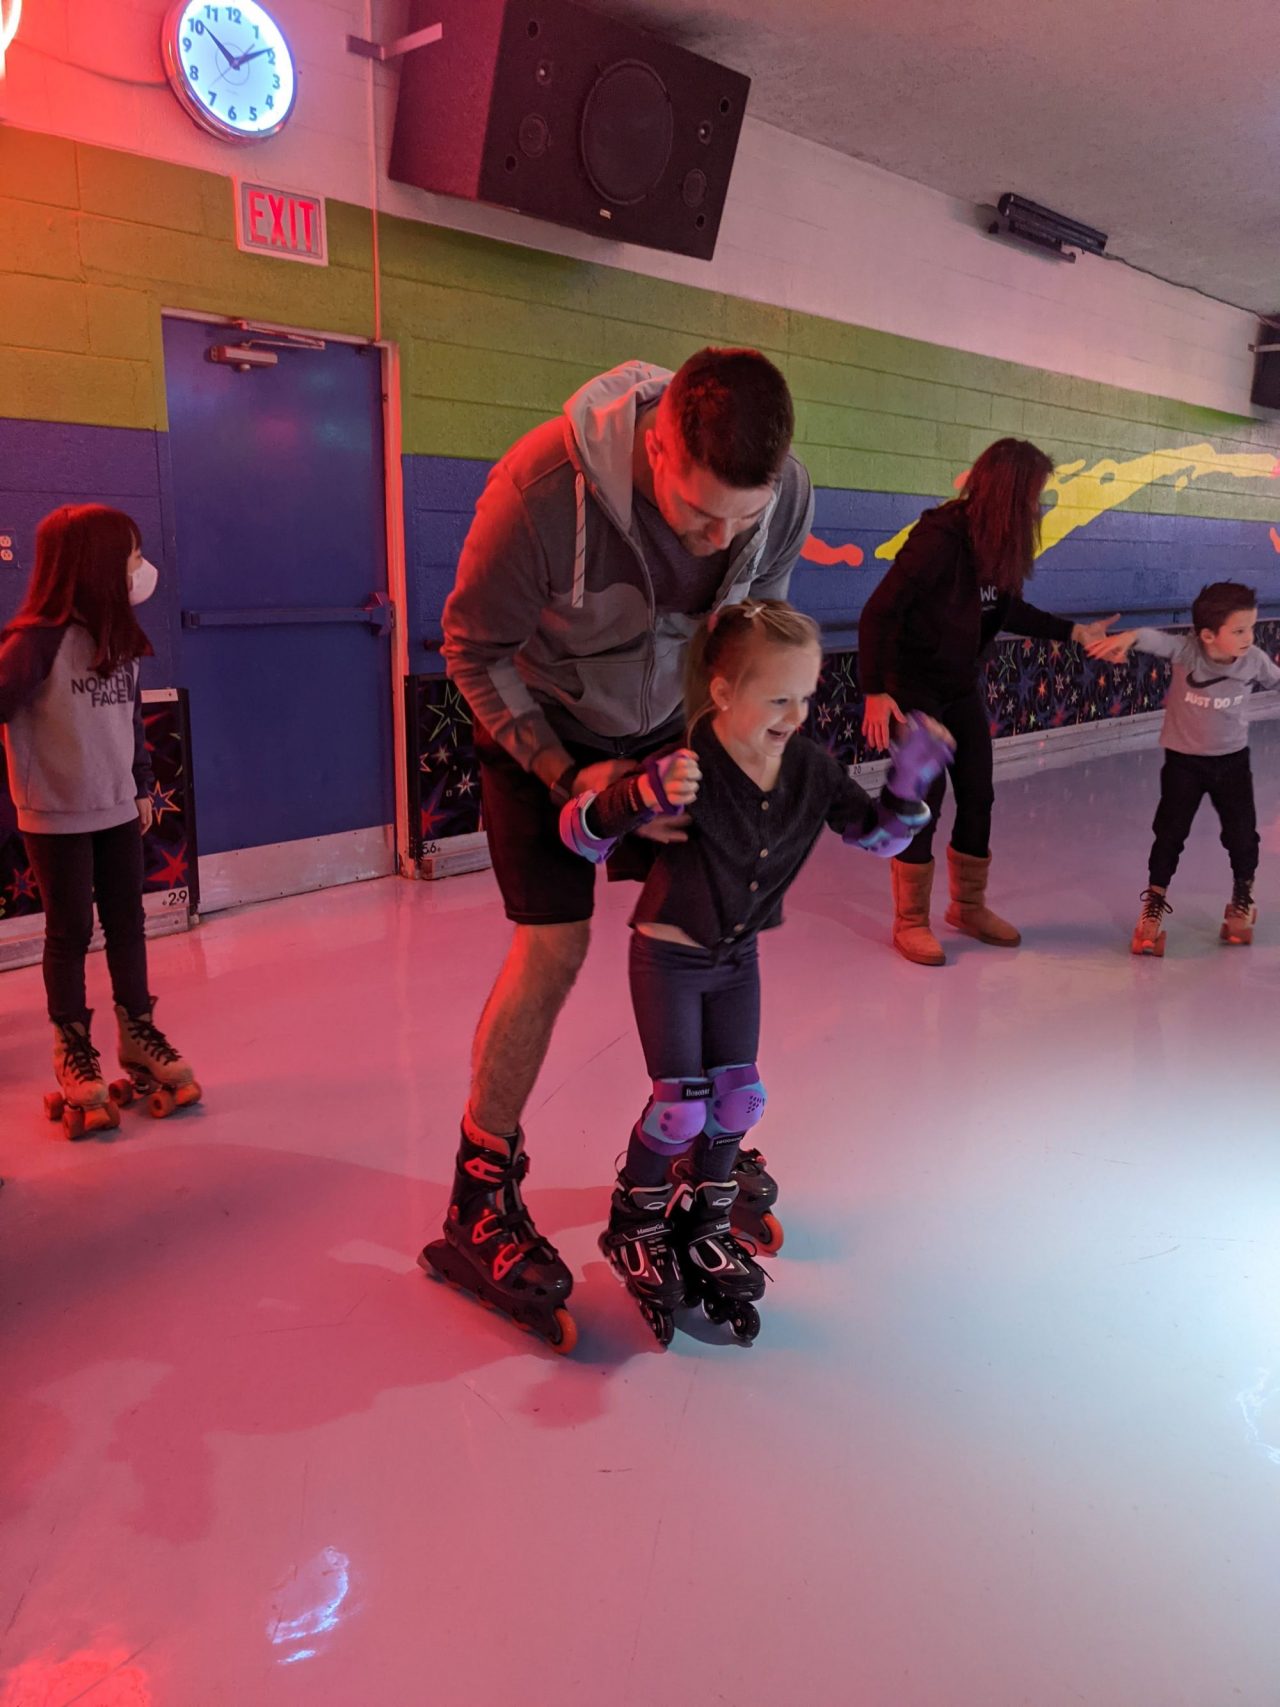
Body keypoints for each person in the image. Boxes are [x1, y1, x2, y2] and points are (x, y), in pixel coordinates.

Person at [424, 349, 815, 1350]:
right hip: (545, 731)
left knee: (713, 925)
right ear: (654, 444)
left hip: (671, 730)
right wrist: (566, 779)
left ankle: (702, 1143)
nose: (718, 538)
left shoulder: (781, 500)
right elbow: (467, 648)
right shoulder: (540, 492)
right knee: (552, 948)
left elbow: (738, 636)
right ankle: (479, 1187)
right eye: (695, 516)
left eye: (739, 518)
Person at [558, 600, 952, 1346]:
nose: (796, 714)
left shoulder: (808, 769)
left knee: (739, 1100)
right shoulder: (685, 768)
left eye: (806, 695)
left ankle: (706, 1217)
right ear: (723, 692)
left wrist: (909, 785)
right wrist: (640, 794)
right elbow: (578, 837)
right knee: (681, 1109)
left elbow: (877, 838)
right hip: (670, 955)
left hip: (737, 959)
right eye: (778, 698)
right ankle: (635, 1220)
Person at [857, 437, 1118, 965]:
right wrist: (874, 692)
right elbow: (878, 612)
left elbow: (1008, 612)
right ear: (1008, 492)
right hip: (914, 689)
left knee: (979, 795)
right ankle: (910, 921)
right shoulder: (939, 539)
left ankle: (967, 907)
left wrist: (1076, 632)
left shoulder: (996, 545)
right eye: (1034, 496)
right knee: (920, 806)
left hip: (959, 687)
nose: (1038, 508)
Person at [0, 505, 200, 1139]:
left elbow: (128, 721)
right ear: (92, 567)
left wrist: (141, 786)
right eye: (130, 558)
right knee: (70, 928)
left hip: (116, 804)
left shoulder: (117, 633)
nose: (140, 571)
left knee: (127, 921)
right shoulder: (34, 642)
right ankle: (72, 1045)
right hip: (56, 811)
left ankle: (138, 1032)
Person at [1087, 581, 1280, 954]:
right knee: (1170, 835)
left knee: (1242, 835)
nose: (1248, 638)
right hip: (1184, 764)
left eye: (1251, 628)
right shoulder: (1188, 653)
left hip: (1232, 763)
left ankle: (1242, 896)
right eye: (1238, 630)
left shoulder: (1253, 659)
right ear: (1208, 635)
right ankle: (1153, 906)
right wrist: (1129, 638)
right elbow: (1153, 639)